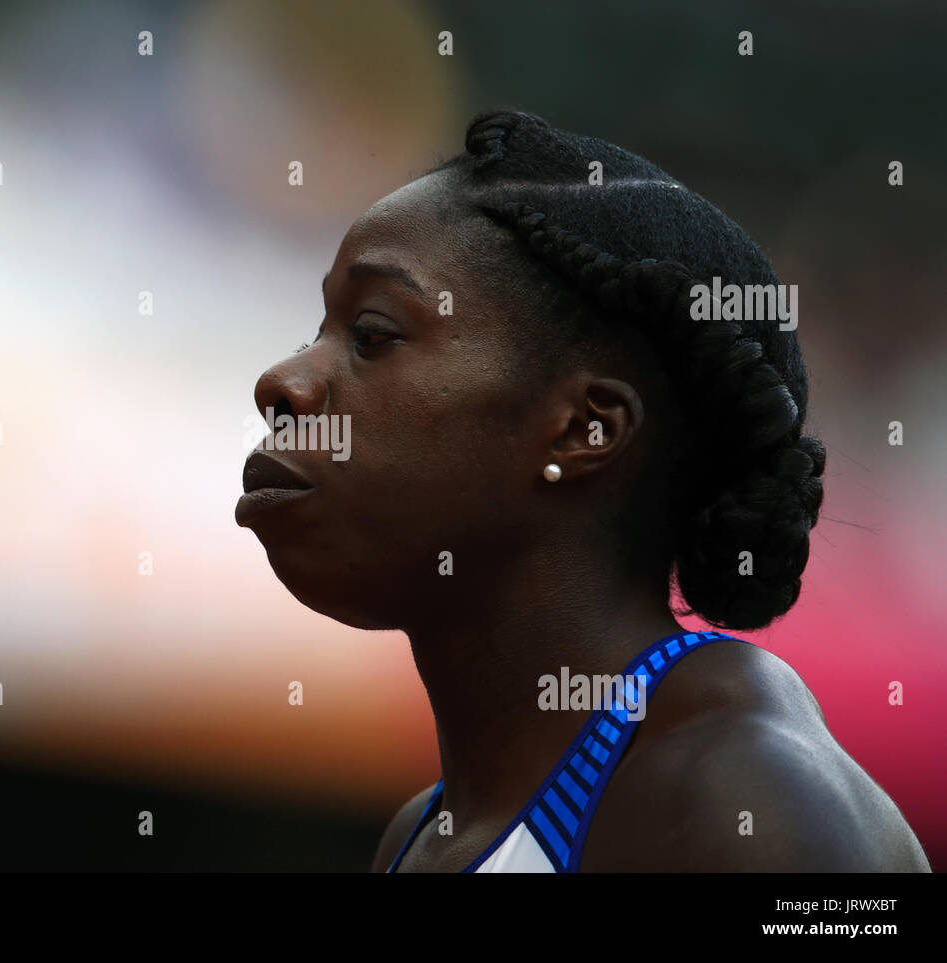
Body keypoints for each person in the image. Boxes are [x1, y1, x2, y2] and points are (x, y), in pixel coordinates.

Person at [235, 108, 929, 872]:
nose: (283, 382)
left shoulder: (745, 798)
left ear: (583, 430)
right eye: (317, 331)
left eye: (371, 334)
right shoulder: (417, 836)